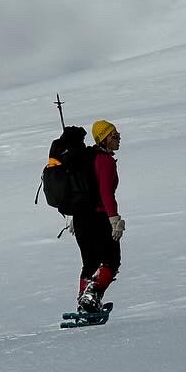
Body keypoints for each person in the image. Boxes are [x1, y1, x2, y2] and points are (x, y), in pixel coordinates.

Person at [74, 119, 124, 313]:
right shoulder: (104, 161)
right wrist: (114, 219)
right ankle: (91, 296)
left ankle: (84, 302)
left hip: (80, 218)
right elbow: (105, 193)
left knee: (89, 263)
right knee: (111, 261)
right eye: (113, 135)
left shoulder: (85, 159)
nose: (118, 138)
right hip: (98, 218)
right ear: (103, 138)